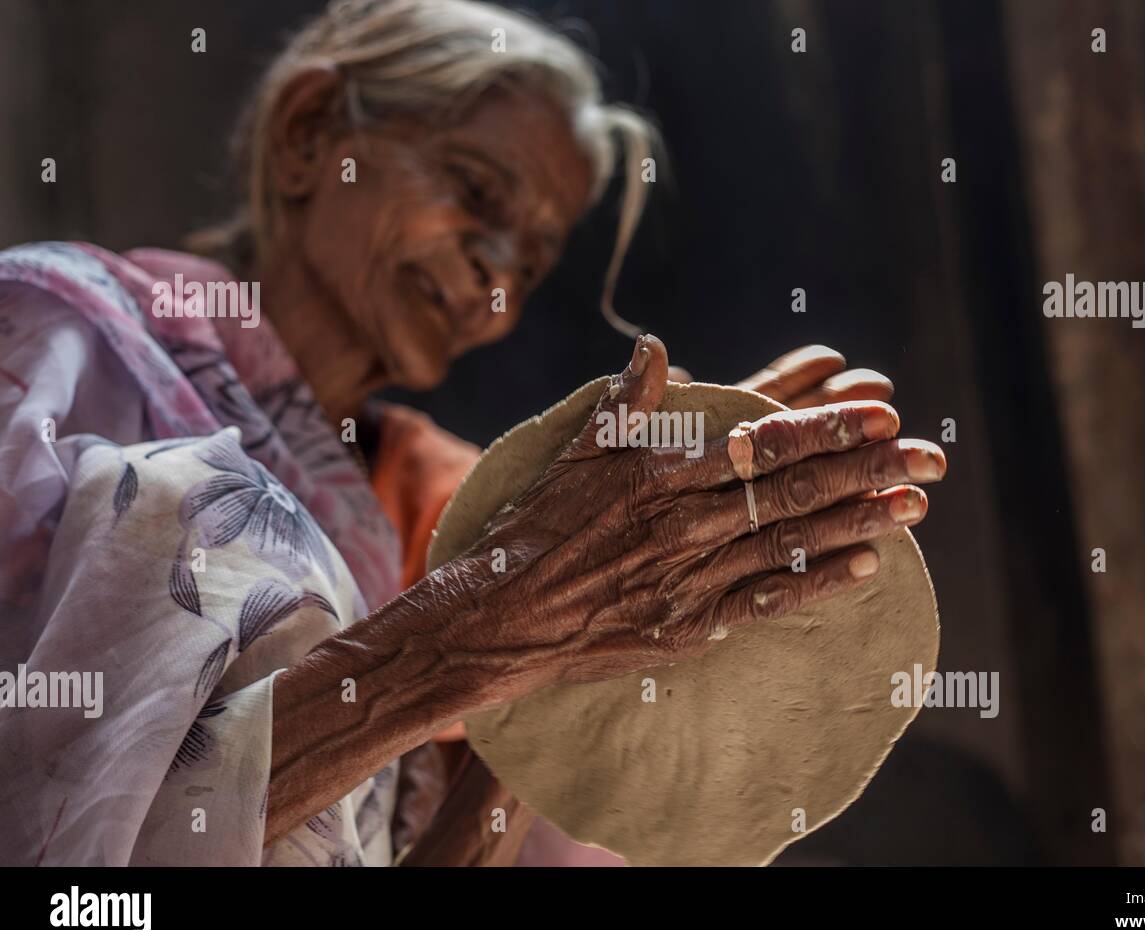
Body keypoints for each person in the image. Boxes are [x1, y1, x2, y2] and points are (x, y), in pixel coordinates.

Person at [0, 0, 946, 866]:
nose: (496, 274)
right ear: (307, 135)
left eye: (532, 261)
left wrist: (573, 662)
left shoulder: (456, 506)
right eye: (477, 193)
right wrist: (503, 621)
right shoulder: (58, 336)